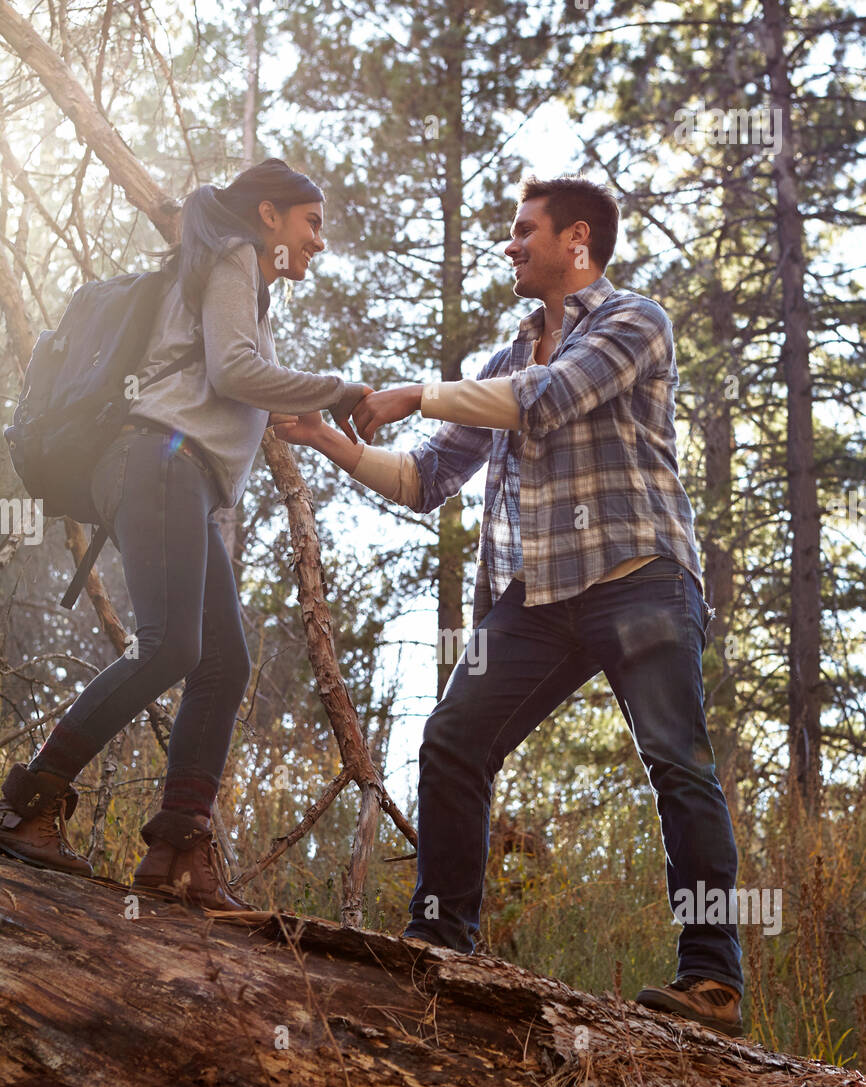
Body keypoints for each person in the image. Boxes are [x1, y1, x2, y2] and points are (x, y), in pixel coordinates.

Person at [272, 173, 745, 1037]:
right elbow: (422, 478)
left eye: (524, 230)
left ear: (576, 241)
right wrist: (328, 439)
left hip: (637, 574)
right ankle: (442, 941)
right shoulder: (500, 361)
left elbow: (550, 400)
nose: (509, 244)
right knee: (453, 739)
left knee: (676, 758)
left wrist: (415, 390)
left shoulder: (634, 321)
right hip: (534, 601)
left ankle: (713, 978)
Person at [0, 158, 370, 911]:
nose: (320, 242)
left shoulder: (229, 270)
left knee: (223, 661)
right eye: (313, 223)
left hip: (171, 475)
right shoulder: (234, 254)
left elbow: (229, 376)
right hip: (159, 460)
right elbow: (233, 371)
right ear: (270, 217)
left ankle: (177, 848)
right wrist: (341, 388)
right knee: (171, 643)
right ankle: (27, 801)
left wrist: (300, 412)